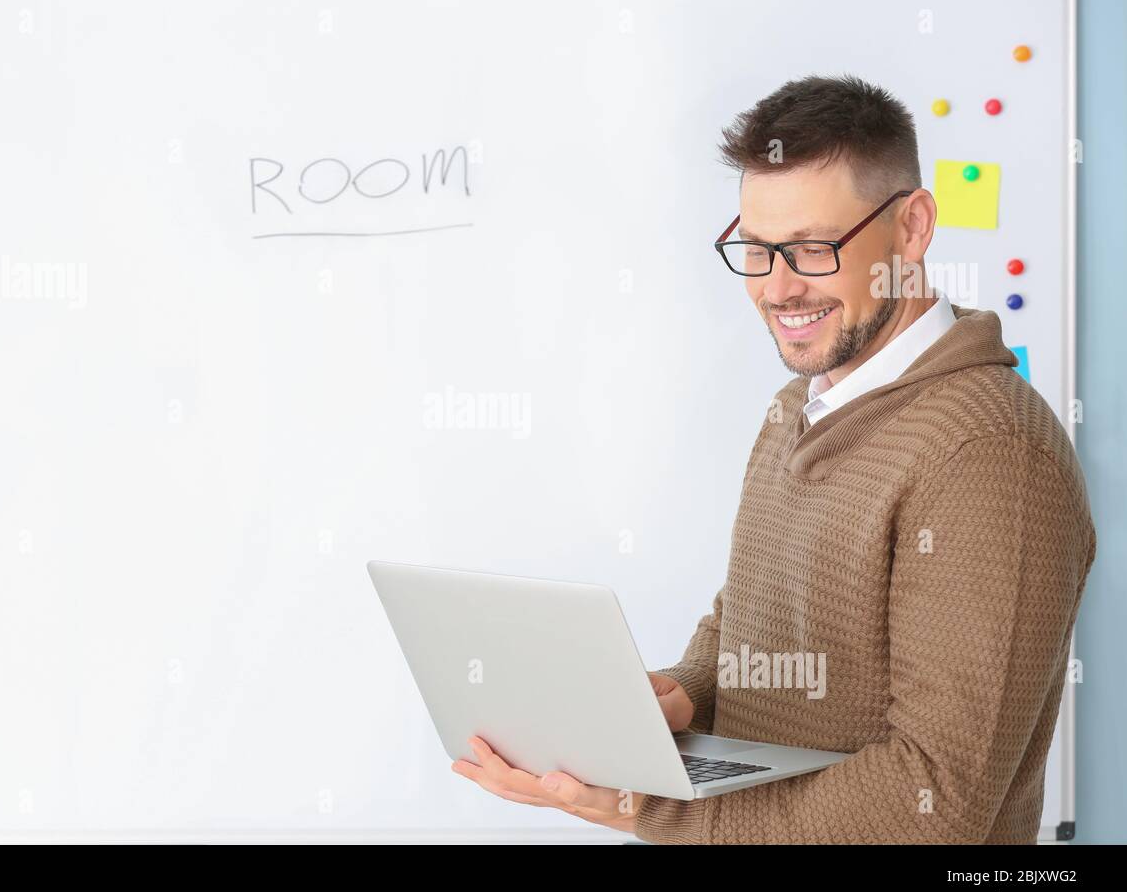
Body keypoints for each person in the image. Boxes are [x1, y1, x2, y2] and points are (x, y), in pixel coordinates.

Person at [450, 74, 1097, 844]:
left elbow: (933, 799)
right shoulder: (804, 400)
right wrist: (681, 697)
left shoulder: (990, 454)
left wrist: (644, 804)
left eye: (813, 249)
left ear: (914, 227)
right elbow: (754, 610)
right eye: (756, 250)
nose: (778, 288)